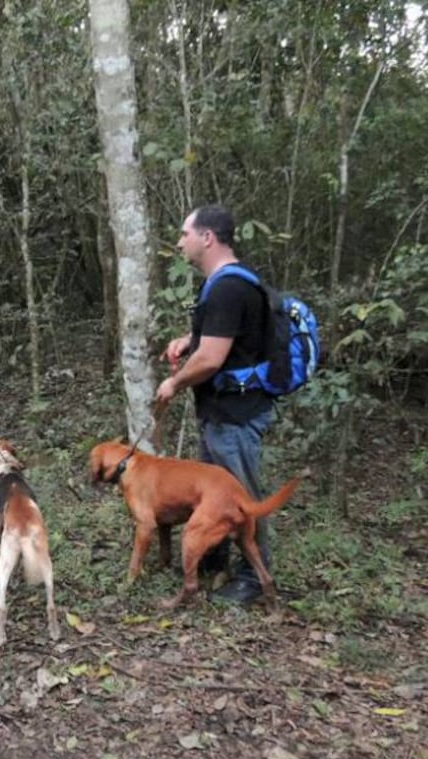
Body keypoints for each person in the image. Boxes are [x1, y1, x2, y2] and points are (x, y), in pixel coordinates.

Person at [155, 205, 276, 607]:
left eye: (185, 234)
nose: (180, 242)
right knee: (216, 495)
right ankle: (214, 558)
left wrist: (174, 382)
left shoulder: (227, 287)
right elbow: (219, 338)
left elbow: (211, 359)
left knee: (243, 499)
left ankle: (253, 578)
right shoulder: (226, 284)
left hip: (235, 415)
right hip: (222, 412)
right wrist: (188, 339)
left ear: (207, 238)